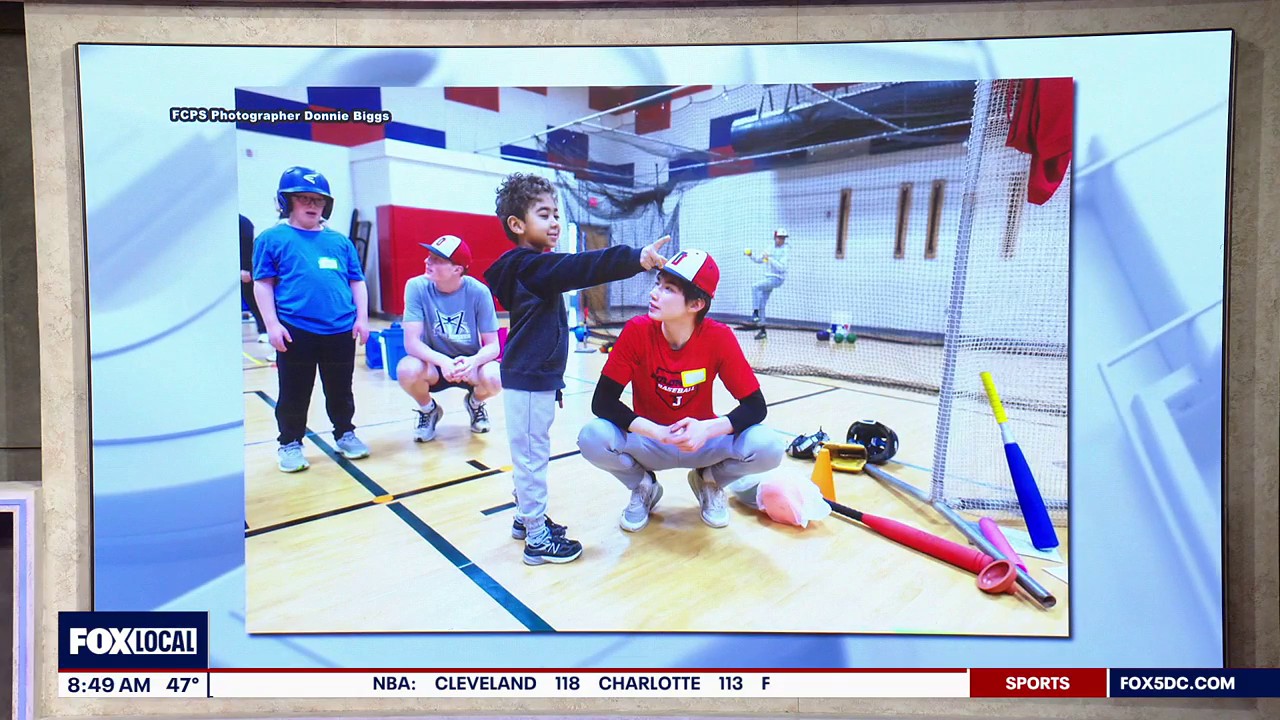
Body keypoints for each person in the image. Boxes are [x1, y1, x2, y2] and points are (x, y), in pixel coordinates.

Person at [484, 172, 670, 566]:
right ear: (517, 225)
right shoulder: (531, 268)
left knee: (531, 452)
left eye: (556, 214)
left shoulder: (530, 268)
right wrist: (634, 257)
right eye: (543, 214)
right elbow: (582, 267)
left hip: (535, 380)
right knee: (532, 457)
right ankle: (536, 538)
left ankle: (525, 517)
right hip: (530, 381)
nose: (554, 222)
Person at [576, 249, 784, 532]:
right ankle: (643, 487)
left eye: (668, 289)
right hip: (651, 441)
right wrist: (657, 431)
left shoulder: (718, 337)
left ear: (696, 303)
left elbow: (755, 407)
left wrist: (706, 430)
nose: (655, 293)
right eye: (657, 284)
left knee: (769, 446)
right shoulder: (637, 331)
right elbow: (603, 402)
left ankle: (709, 481)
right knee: (592, 437)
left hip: (700, 443)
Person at [253, 166, 371, 473]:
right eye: (303, 198)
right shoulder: (272, 238)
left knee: (341, 389)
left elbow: (357, 282)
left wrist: (362, 318)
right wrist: (272, 325)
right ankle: (290, 442)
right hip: (296, 330)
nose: (311, 205)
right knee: (294, 391)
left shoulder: (340, 242)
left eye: (317, 200)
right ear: (287, 201)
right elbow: (262, 283)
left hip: (340, 330)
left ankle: (345, 433)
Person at [397, 234, 501, 441]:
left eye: (437, 259)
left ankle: (475, 403)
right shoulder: (416, 287)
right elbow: (412, 343)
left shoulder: (479, 292)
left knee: (496, 378)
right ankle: (429, 410)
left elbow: (493, 346)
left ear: (457, 269)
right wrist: (443, 361)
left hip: (468, 366)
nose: (427, 261)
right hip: (433, 365)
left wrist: (473, 362)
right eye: (429, 256)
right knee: (406, 370)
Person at [748, 227, 789, 340]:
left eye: (783, 238)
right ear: (775, 237)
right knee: (762, 303)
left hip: (777, 279)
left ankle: (755, 313)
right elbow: (759, 259)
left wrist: (770, 259)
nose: (782, 240)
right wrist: (751, 255)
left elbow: (782, 268)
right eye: (780, 237)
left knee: (755, 286)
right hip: (769, 278)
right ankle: (762, 330)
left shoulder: (786, 250)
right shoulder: (770, 247)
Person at [239, 214, 267, 343]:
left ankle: (264, 330)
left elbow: (247, 245)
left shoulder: (243, 222)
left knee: (253, 300)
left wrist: (245, 268)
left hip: (245, 268)